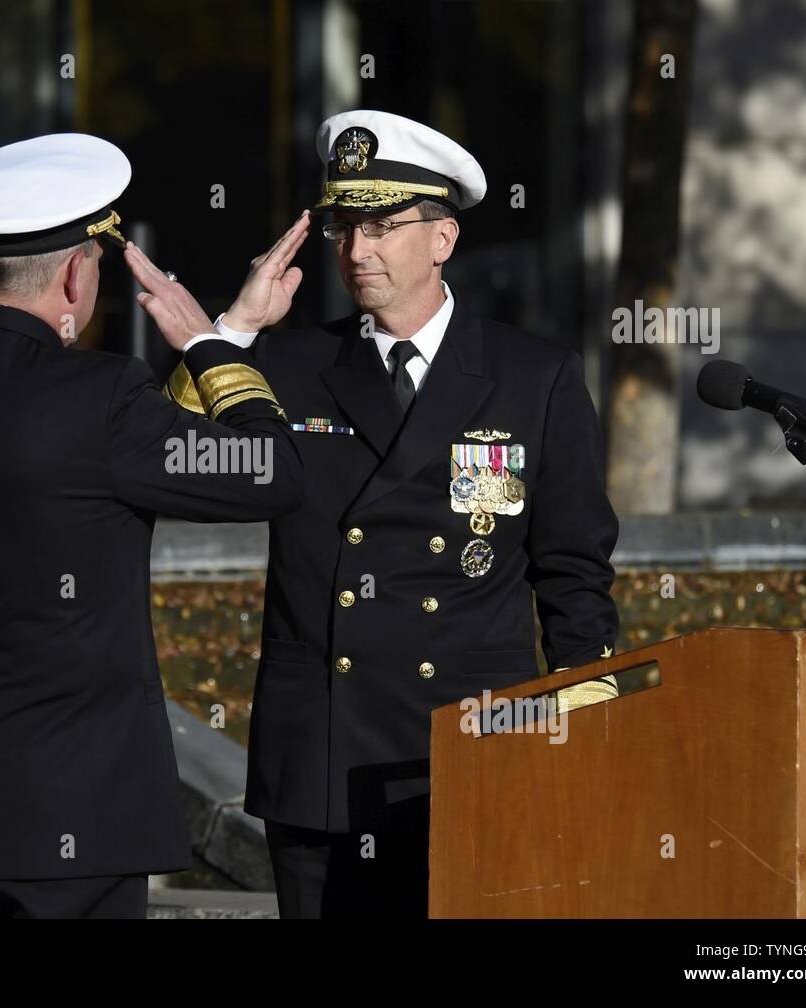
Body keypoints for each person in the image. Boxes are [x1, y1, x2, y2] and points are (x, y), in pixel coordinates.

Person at [0, 133, 303, 919]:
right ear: (77, 272)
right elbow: (272, 470)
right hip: (79, 830)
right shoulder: (104, 396)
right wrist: (212, 344)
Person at [167, 109, 620, 918]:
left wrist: (593, 726)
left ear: (442, 238)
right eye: (345, 227)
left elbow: (574, 573)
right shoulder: (293, 362)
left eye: (381, 225)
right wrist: (233, 328)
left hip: (472, 748)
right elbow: (171, 456)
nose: (356, 250)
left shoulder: (533, 377)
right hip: (325, 759)